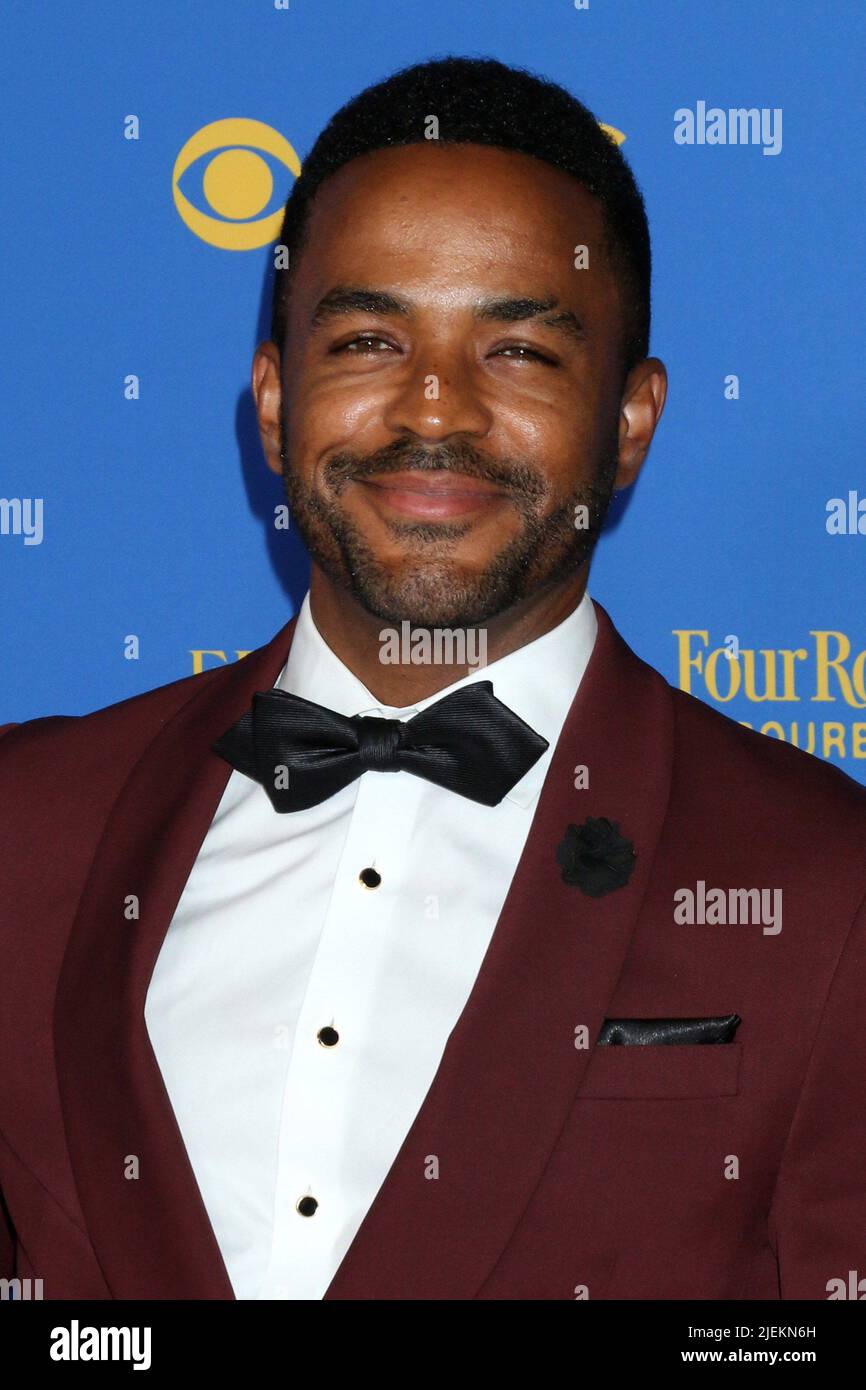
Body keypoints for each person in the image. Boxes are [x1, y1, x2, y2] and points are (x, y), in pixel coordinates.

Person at [1, 56, 864, 1302]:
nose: (434, 411)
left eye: (515, 349)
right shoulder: (31, 825)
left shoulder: (824, 884)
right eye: (366, 338)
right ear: (272, 400)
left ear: (629, 423)